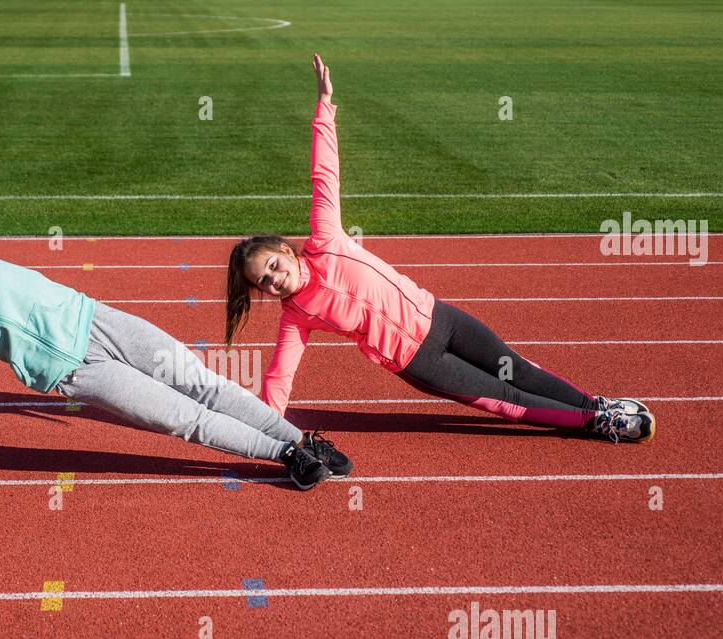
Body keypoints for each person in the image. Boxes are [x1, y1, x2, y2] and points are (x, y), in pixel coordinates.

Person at [0, 63, 351, 492]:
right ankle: (287, 453)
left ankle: (304, 443)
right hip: (79, 374)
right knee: (179, 417)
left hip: (100, 321)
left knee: (202, 383)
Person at [224, 54, 655, 443]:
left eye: (273, 266)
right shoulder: (296, 316)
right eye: (264, 282)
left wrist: (324, 106)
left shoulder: (327, 237)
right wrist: (267, 430)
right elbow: (280, 375)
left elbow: (324, 174)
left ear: (285, 248)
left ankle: (595, 403)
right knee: (504, 398)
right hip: (418, 361)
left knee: (516, 368)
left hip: (441, 318)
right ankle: (597, 424)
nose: (274, 280)